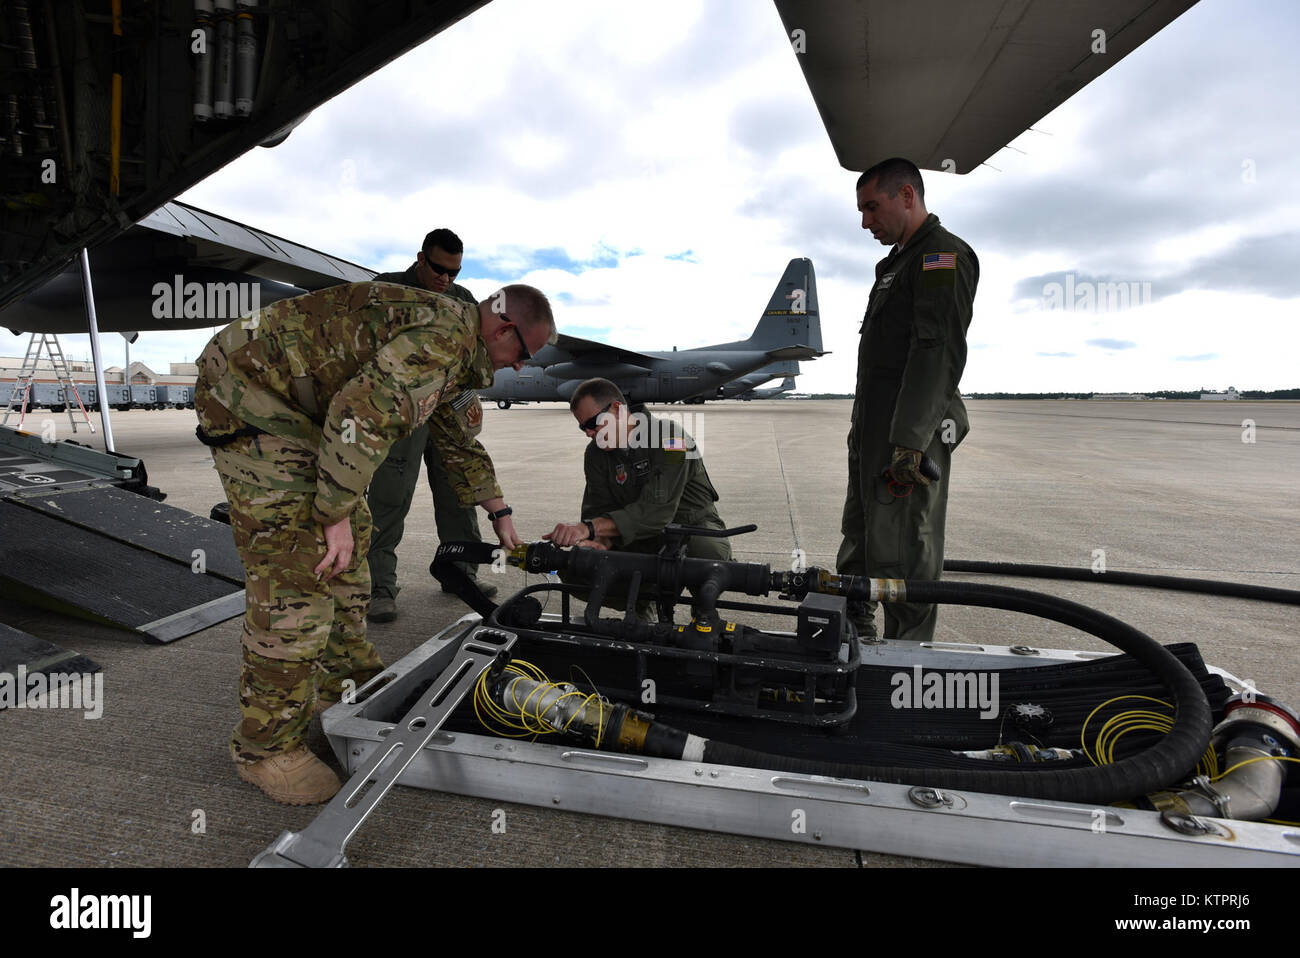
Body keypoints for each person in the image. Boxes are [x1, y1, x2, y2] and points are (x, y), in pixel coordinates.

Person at [194, 279, 555, 804]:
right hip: (249, 395)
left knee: (351, 539)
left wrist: (498, 510)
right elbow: (359, 417)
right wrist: (332, 513)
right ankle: (265, 747)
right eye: (524, 353)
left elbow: (454, 436)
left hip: (294, 406)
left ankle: (340, 682)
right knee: (300, 566)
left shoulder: (459, 350)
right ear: (503, 327)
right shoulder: (442, 339)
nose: (521, 367)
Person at [838, 157, 978, 643]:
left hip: (905, 440)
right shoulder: (897, 264)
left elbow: (935, 354)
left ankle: (907, 657)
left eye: (871, 208)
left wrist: (909, 443)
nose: (865, 222)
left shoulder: (939, 256)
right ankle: (853, 634)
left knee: (903, 552)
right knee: (859, 539)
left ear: (907, 196)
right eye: (861, 211)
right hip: (876, 435)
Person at [366, 227, 497, 623]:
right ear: (421, 258)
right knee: (389, 500)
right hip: (401, 414)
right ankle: (380, 588)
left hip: (447, 414)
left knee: (459, 497)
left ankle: (460, 575)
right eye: (439, 268)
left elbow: (475, 356)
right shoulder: (385, 290)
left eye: (454, 272)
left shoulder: (462, 300)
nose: (445, 278)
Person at [546, 378, 730, 585]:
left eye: (592, 424)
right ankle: (641, 608)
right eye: (583, 428)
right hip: (639, 535)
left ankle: (704, 612)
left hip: (692, 528)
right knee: (580, 568)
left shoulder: (670, 436)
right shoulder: (595, 454)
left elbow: (657, 510)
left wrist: (588, 528)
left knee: (705, 552)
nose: (589, 433)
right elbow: (599, 509)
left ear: (617, 409)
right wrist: (599, 541)